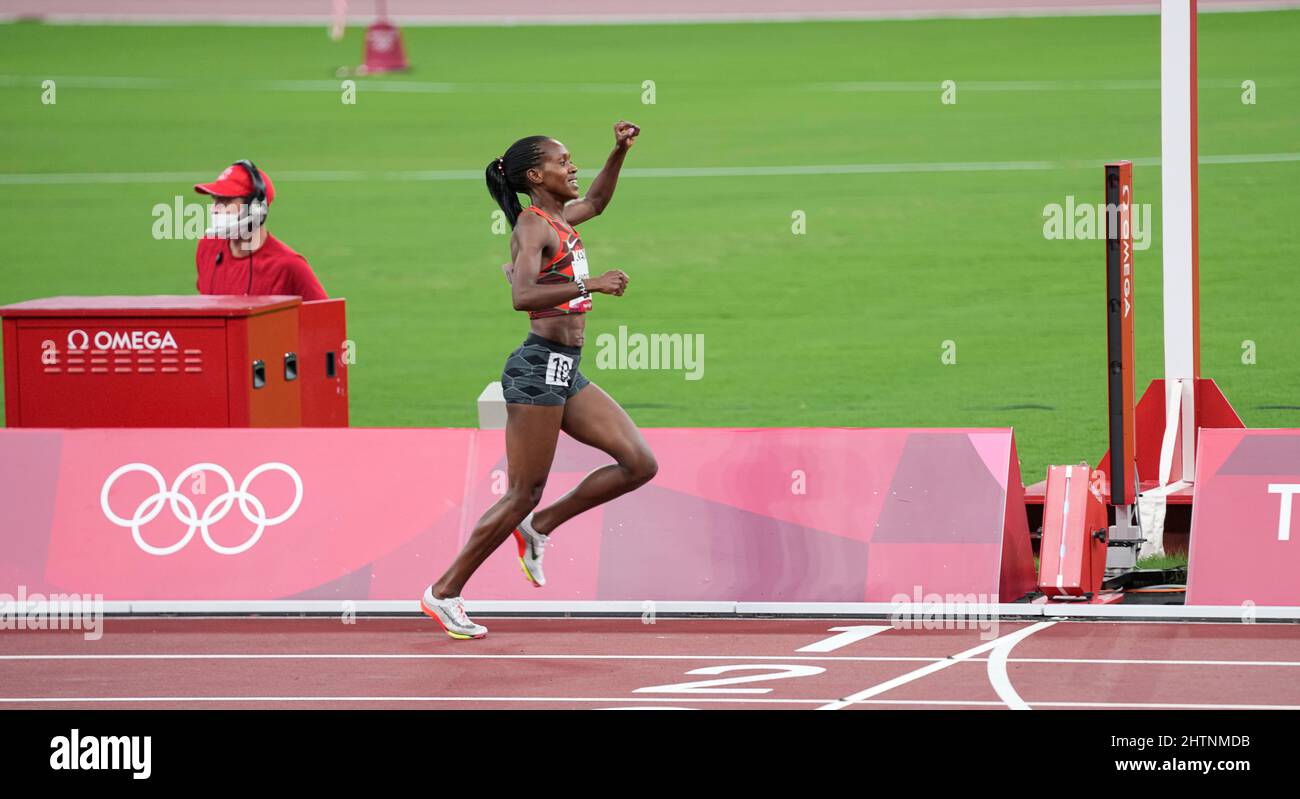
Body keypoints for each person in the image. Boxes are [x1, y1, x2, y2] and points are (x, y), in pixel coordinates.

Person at [421, 121, 658, 639]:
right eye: (563, 160)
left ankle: (540, 527)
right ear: (535, 175)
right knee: (521, 490)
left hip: (565, 370)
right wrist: (589, 282)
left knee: (639, 463)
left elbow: (596, 201)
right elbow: (522, 296)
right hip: (536, 370)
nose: (573, 168)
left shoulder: (560, 218)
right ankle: (444, 593)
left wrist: (619, 152)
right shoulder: (533, 227)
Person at [192, 160, 328, 300]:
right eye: (215, 200)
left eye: (226, 200)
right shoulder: (207, 247)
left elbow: (329, 319)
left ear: (255, 207)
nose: (216, 209)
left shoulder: (290, 267)